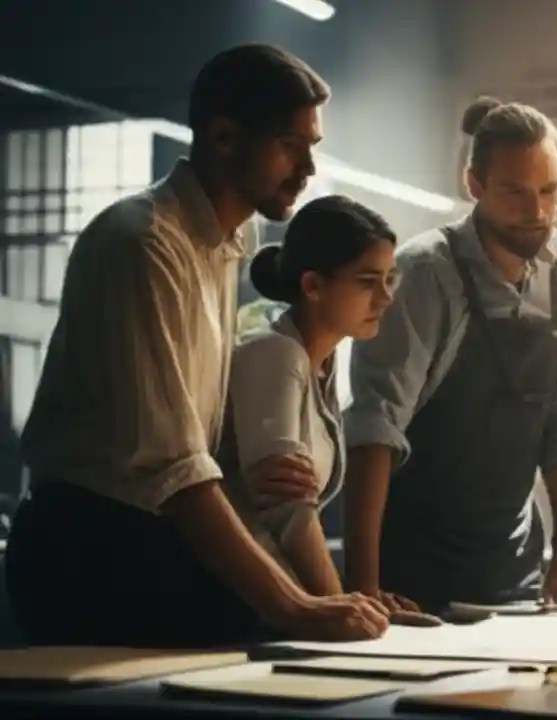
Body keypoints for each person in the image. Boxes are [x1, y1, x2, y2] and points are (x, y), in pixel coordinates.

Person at [6, 45, 389, 647]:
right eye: (291, 145)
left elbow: (195, 444)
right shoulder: (144, 242)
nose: (308, 168)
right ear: (223, 137)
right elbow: (175, 468)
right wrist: (297, 605)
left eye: (311, 147)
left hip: (154, 539)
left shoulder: (230, 238)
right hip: (89, 546)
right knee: (272, 639)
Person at [343, 97, 557, 613]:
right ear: (473, 186)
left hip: (515, 567)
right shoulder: (425, 273)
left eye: (550, 190)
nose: (538, 212)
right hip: (414, 571)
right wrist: (362, 587)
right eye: (515, 193)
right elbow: (375, 430)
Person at [219, 195, 405, 607]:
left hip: (283, 598)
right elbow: (287, 510)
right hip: (244, 601)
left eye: (389, 279)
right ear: (313, 286)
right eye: (367, 281)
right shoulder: (275, 354)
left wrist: (358, 601)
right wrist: (342, 607)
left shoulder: (321, 365)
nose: (385, 298)